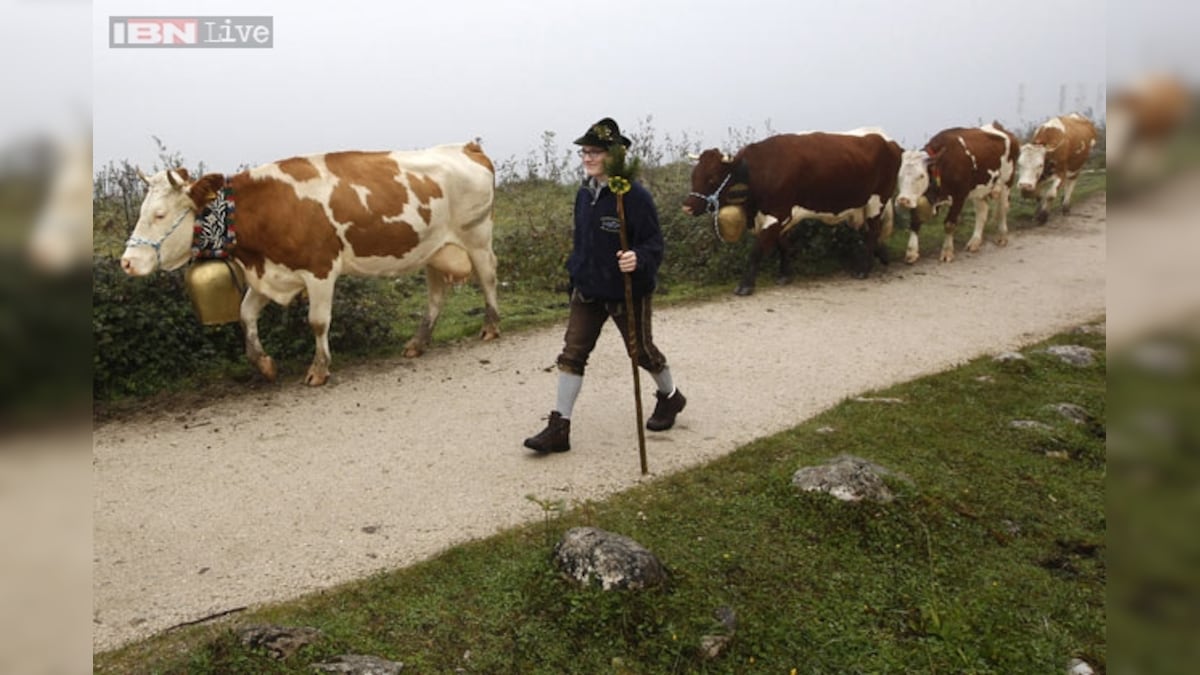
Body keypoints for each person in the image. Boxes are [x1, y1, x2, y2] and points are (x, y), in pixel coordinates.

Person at [524, 117, 686, 453]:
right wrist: (575, 274)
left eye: (595, 152)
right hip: (587, 289)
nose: (587, 158)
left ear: (614, 156)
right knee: (572, 354)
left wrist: (638, 258)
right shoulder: (585, 194)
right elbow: (582, 240)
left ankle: (670, 397)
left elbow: (654, 243)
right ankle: (559, 428)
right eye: (584, 151)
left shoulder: (635, 197)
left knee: (641, 351)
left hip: (627, 290)